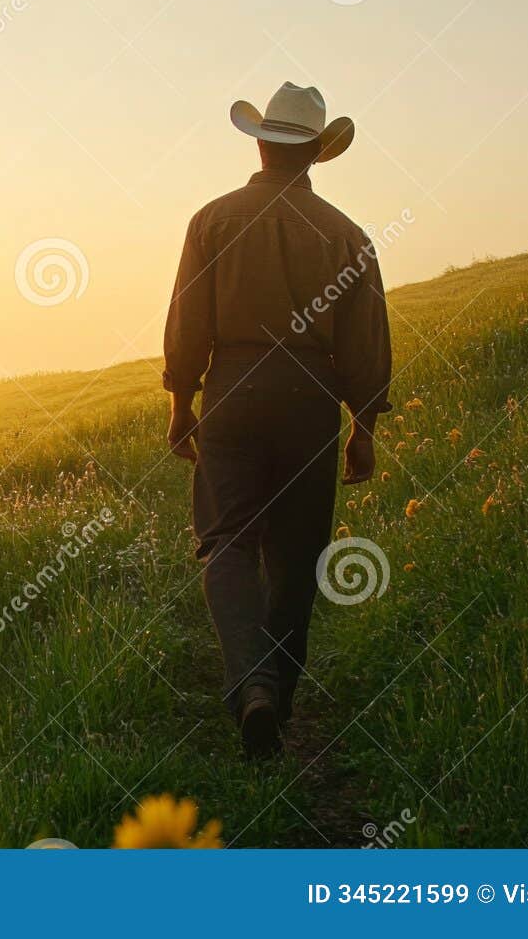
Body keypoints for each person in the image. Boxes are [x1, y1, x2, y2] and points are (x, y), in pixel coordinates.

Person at [162, 82, 392, 759]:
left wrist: (181, 399)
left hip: (232, 390)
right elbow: (366, 343)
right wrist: (365, 425)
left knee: (227, 540)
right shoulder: (348, 235)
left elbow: (187, 319)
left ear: (260, 144)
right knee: (297, 555)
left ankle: (251, 685)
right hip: (309, 397)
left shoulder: (211, 219)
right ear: (317, 156)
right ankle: (278, 702)